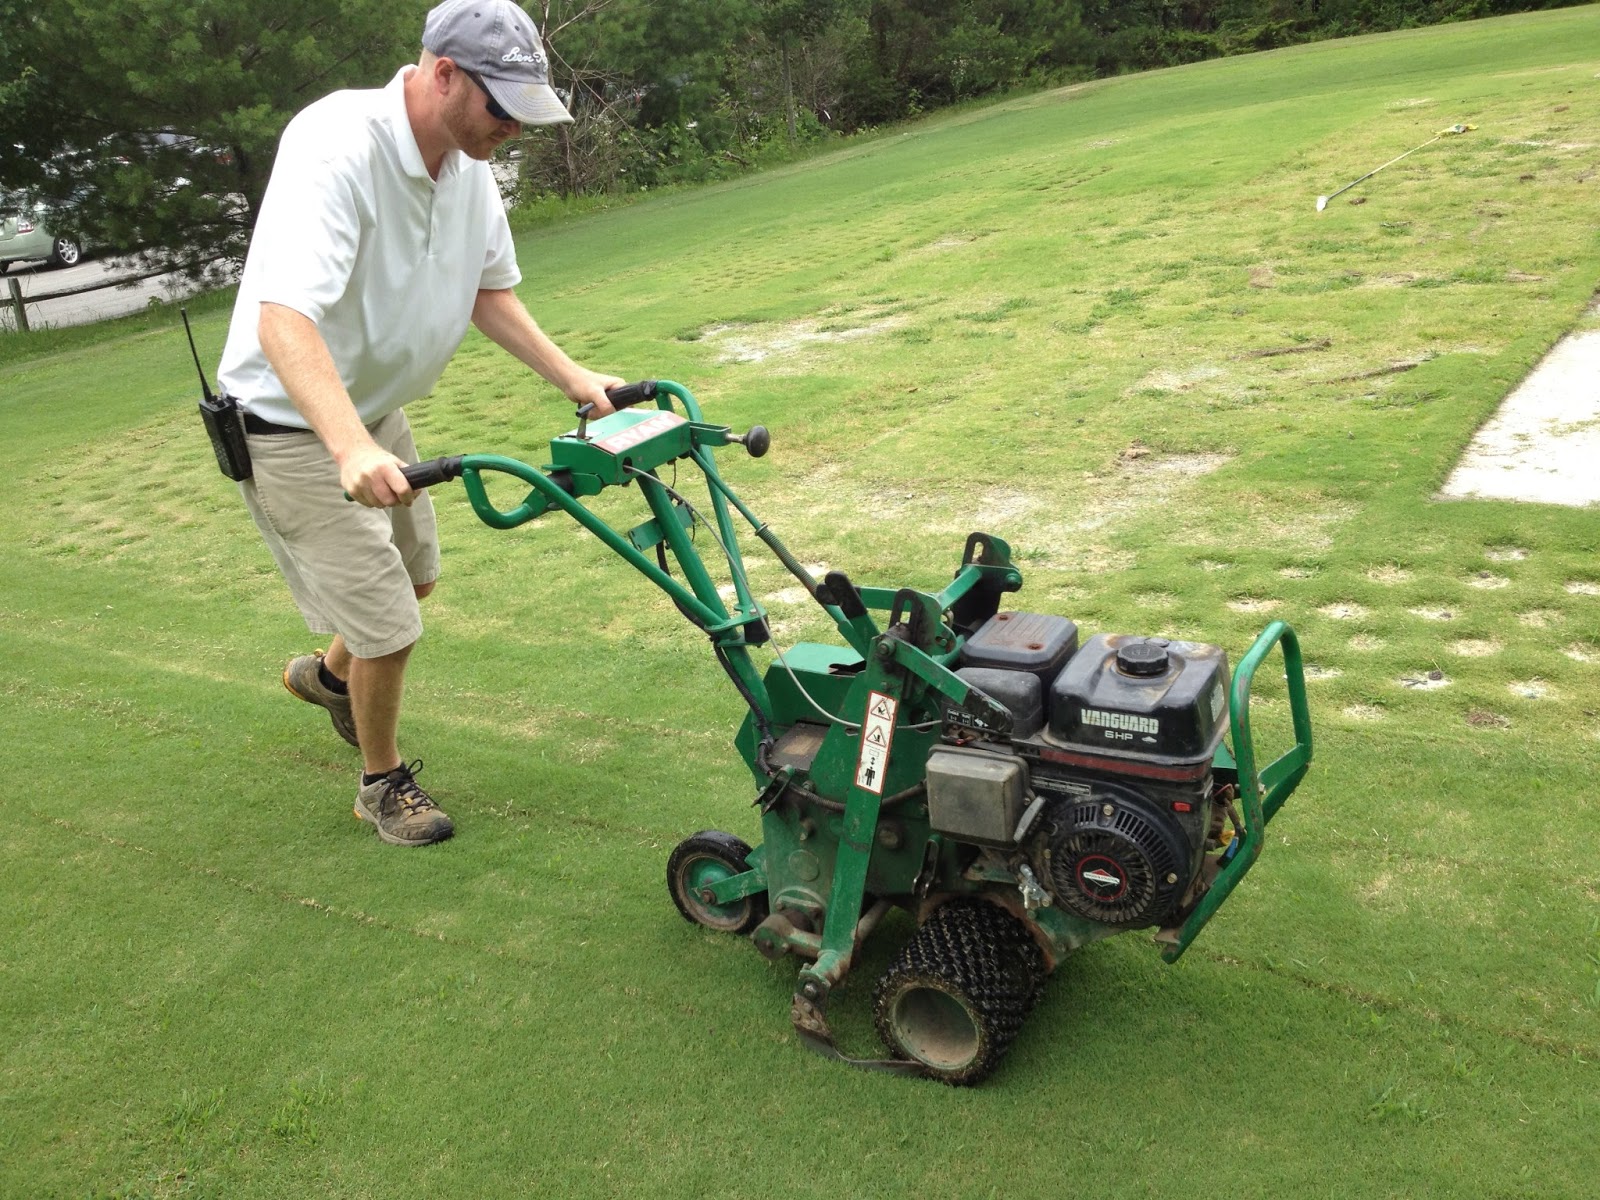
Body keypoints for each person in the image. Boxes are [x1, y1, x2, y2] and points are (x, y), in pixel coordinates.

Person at [217, 0, 623, 847]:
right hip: (296, 424)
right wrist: (348, 444)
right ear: (443, 73)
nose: (512, 128)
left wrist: (577, 380)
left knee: (417, 578)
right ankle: (380, 784)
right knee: (390, 624)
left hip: (371, 409)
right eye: (501, 106)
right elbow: (283, 317)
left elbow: (488, 291)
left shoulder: (468, 162)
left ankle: (332, 680)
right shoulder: (337, 145)